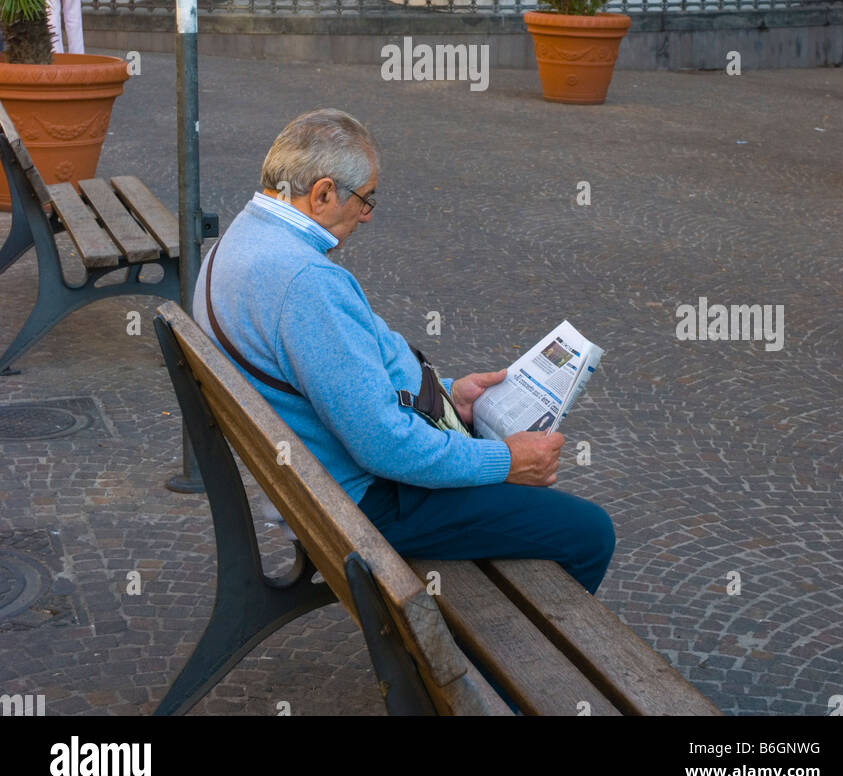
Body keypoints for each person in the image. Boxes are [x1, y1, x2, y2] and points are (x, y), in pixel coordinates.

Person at [193, 109, 615, 597]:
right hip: (368, 504)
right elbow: (384, 447)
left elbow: (349, 385)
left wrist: (447, 395)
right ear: (324, 192)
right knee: (587, 532)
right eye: (365, 199)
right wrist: (504, 462)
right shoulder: (306, 282)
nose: (368, 215)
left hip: (329, 487)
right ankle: (503, 666)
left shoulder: (240, 241)